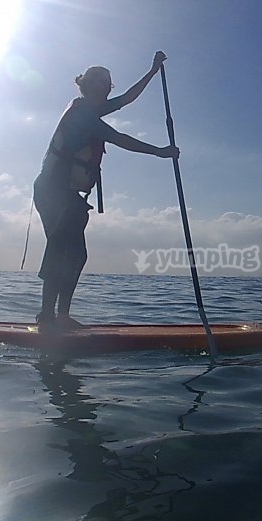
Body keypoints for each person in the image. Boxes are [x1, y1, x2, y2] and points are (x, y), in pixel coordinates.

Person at [34, 51, 179, 331]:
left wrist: (152, 71)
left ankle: (61, 316)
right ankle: (48, 317)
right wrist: (159, 152)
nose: (109, 88)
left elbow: (126, 100)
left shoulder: (91, 109)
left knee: (77, 254)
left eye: (110, 84)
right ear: (90, 85)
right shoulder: (81, 114)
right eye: (105, 82)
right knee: (62, 249)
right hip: (53, 191)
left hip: (68, 195)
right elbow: (118, 138)